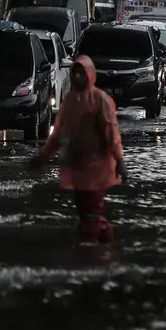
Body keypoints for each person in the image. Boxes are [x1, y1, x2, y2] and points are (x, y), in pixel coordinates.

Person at [29, 56, 126, 244]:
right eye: (75, 73)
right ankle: (100, 245)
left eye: (83, 73)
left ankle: (94, 249)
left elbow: (111, 132)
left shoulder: (100, 100)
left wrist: (119, 160)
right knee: (85, 210)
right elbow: (59, 133)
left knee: (92, 210)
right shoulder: (71, 101)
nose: (79, 77)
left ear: (90, 75)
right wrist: (44, 157)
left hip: (97, 166)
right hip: (78, 166)